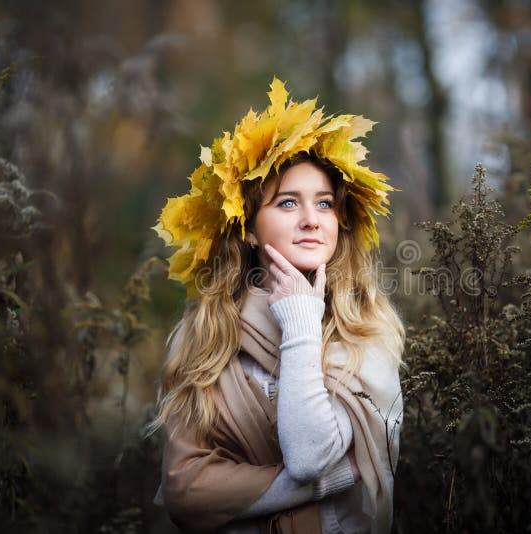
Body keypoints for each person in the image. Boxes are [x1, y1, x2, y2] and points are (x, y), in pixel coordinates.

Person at [148, 78, 405, 534]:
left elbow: (307, 457)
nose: (311, 220)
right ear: (247, 227)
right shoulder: (205, 335)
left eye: (324, 204)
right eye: (287, 202)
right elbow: (184, 490)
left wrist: (303, 322)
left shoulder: (364, 329)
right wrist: (335, 477)